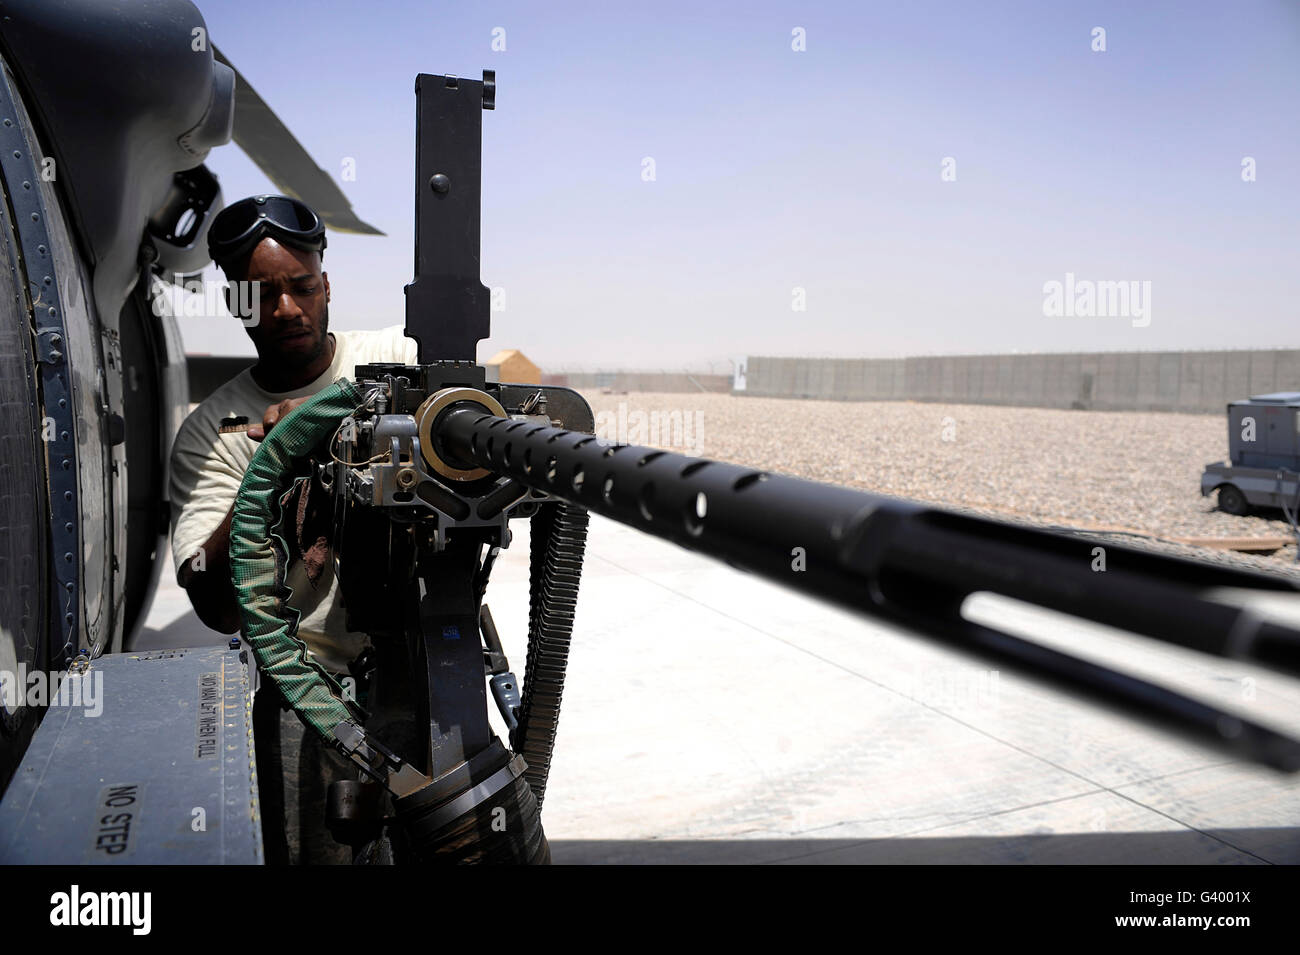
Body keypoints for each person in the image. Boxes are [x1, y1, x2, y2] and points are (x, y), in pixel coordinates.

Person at [168, 194, 416, 864]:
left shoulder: (397, 359)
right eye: (260, 296)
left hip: (421, 681)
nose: (284, 310)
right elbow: (216, 605)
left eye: (302, 287)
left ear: (326, 283)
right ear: (235, 305)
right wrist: (271, 471)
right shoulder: (212, 433)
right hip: (305, 698)